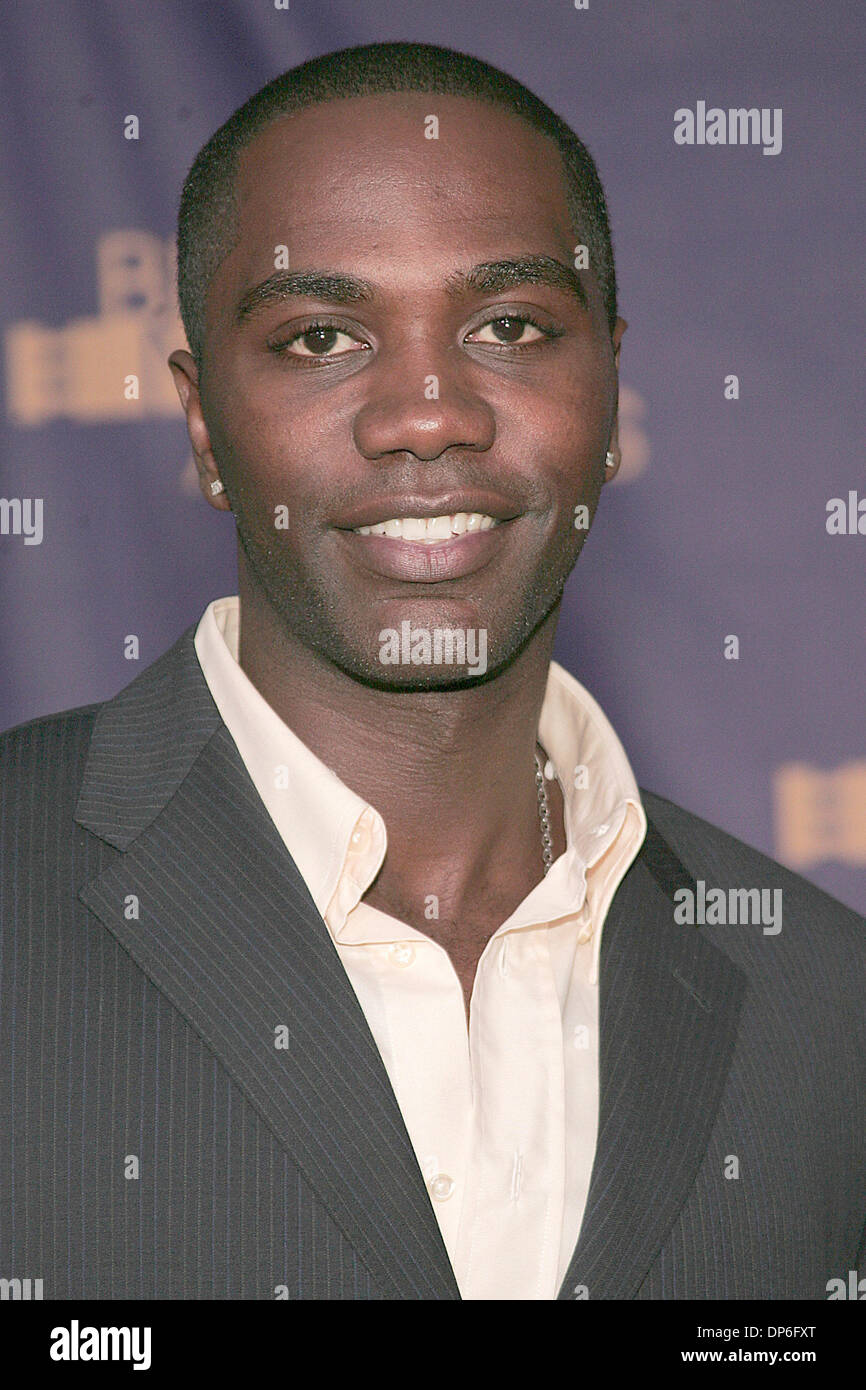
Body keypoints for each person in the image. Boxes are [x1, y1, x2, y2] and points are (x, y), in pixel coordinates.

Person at [1, 40, 863, 1302]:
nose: (426, 410)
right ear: (203, 426)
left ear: (609, 389)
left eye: (507, 326)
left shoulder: (821, 1004)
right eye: (319, 338)